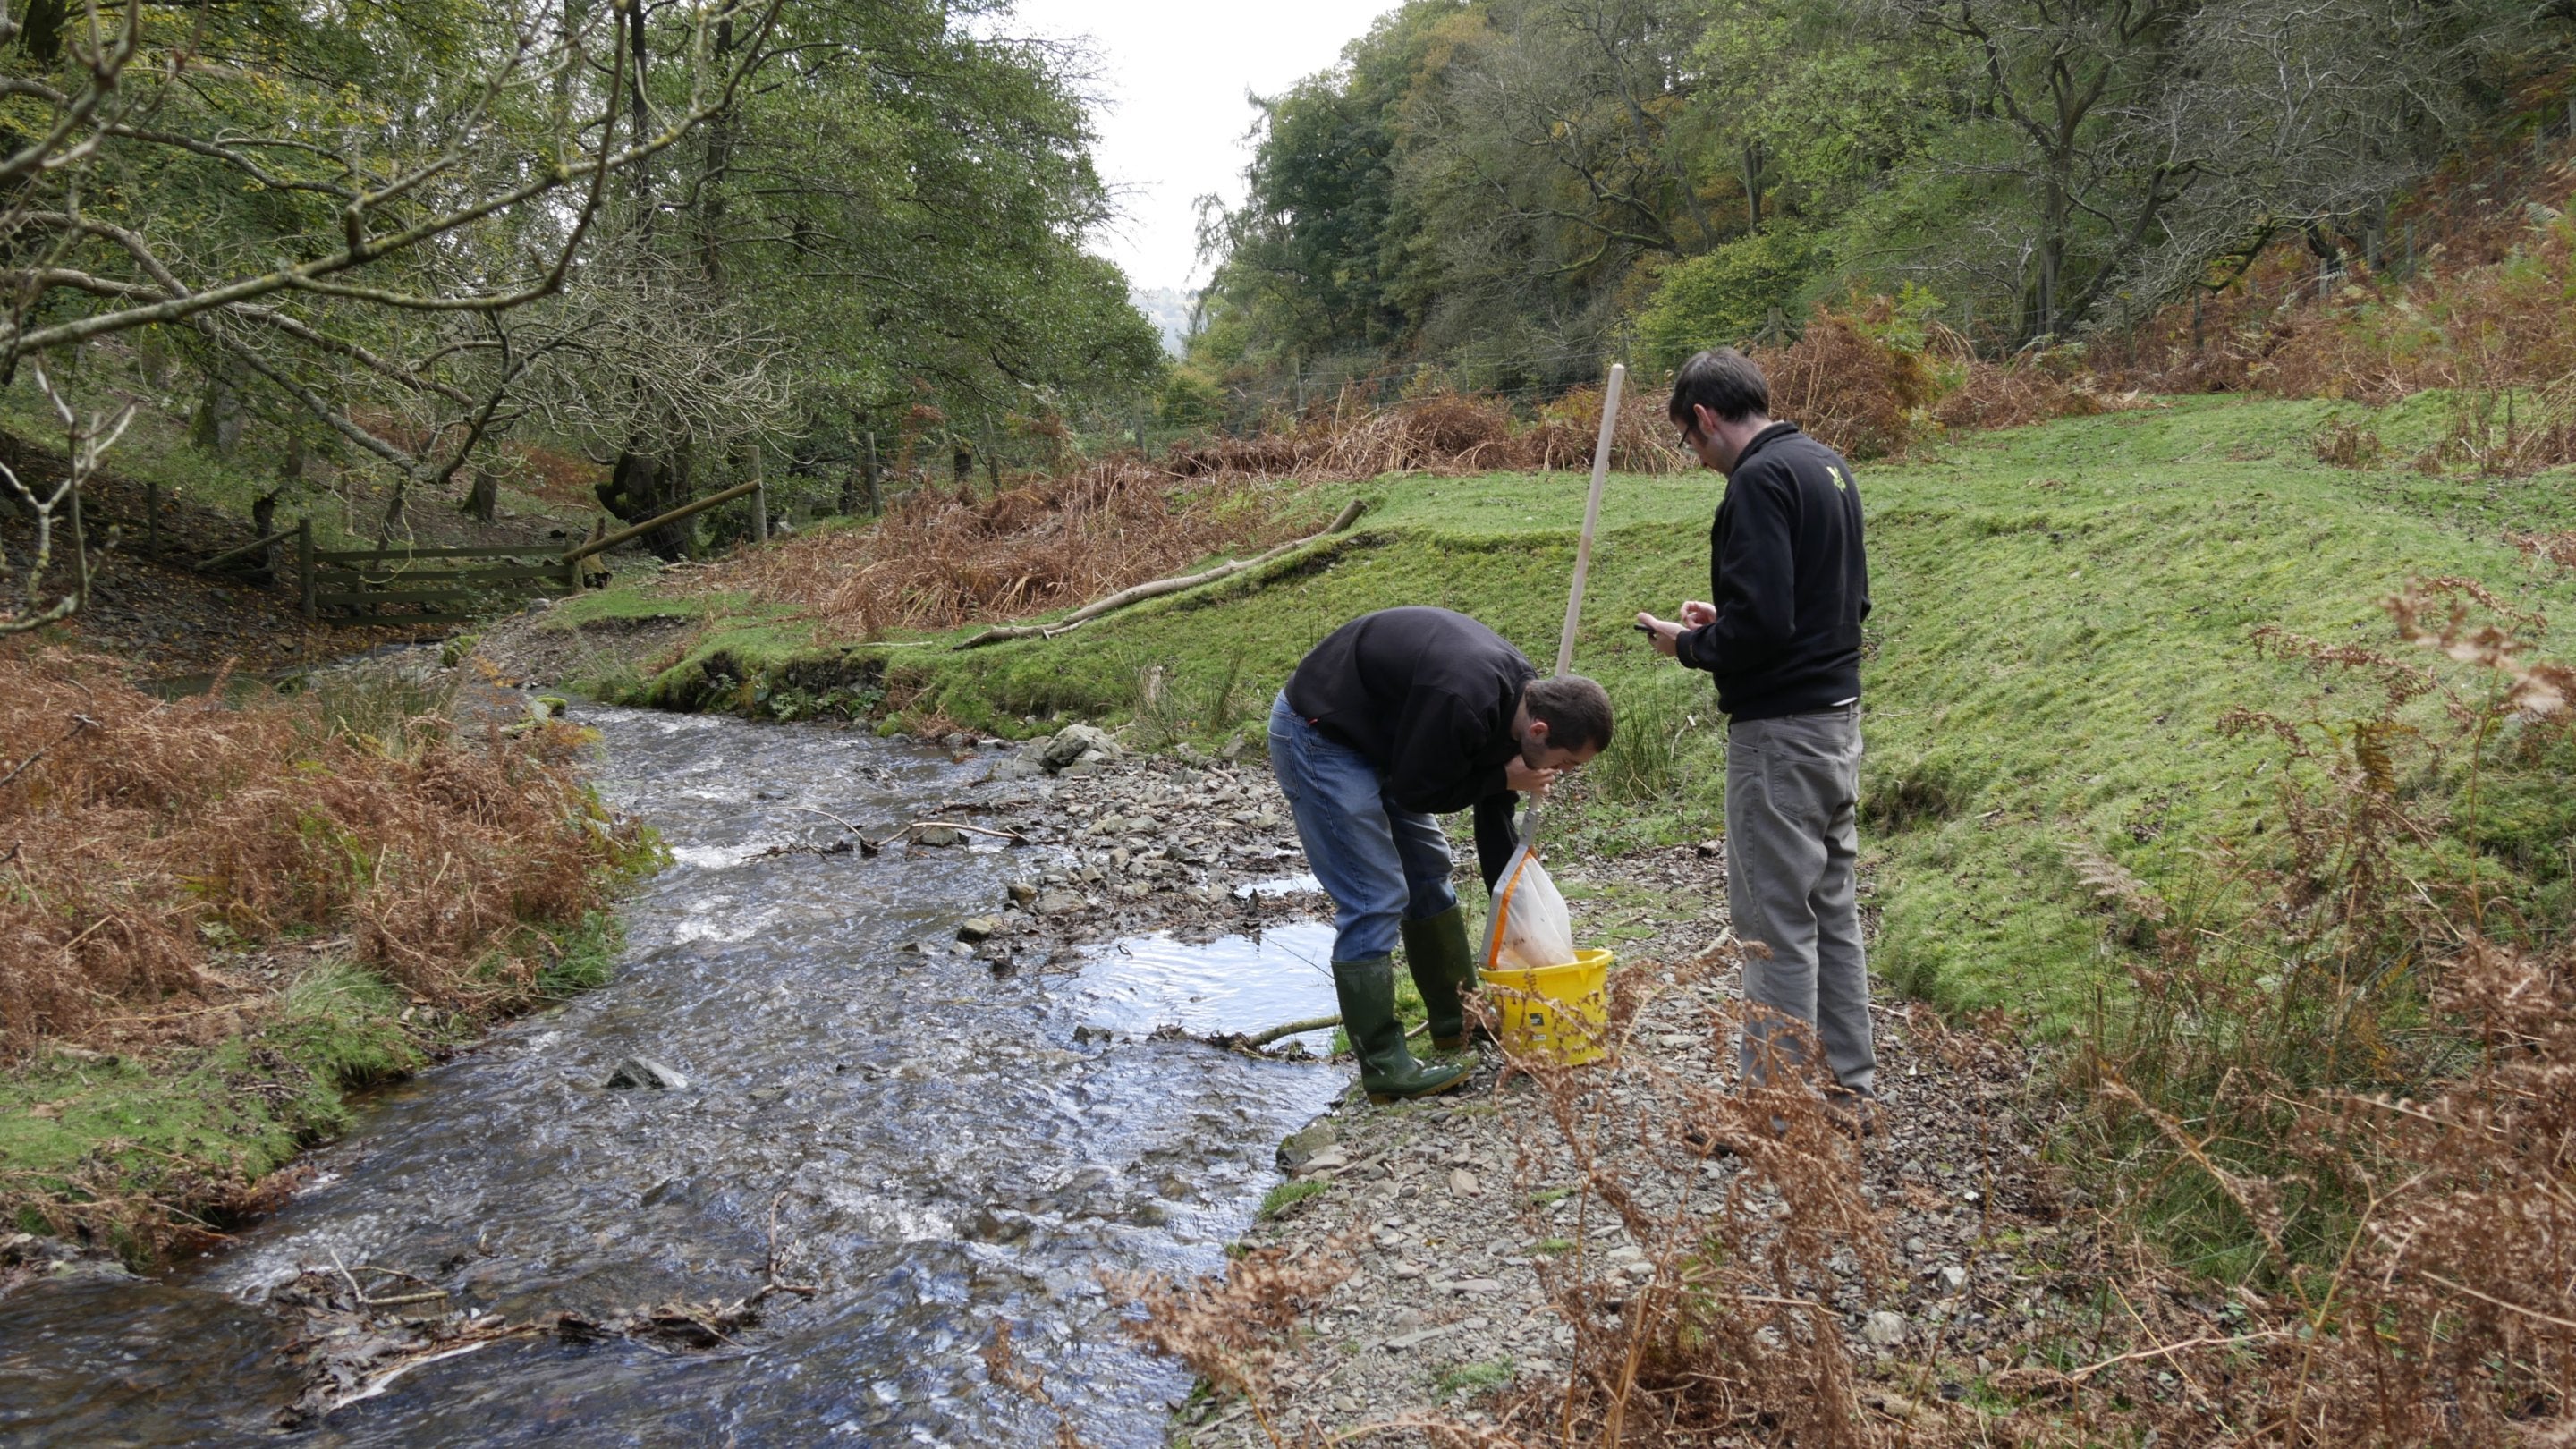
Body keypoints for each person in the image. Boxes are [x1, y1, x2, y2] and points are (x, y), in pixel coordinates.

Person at [1636, 347, 1877, 1120]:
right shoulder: (1826, 467)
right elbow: (1841, 603)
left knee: (1771, 926)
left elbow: (1767, 627)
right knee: (1830, 910)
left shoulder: (1757, 483)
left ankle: (1772, 1114)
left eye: (1688, 441)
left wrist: (1692, 643)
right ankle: (1848, 1088)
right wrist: (1729, 620)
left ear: (1704, 418)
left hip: (1779, 734)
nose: (1697, 458)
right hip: (1839, 725)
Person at [1270, 607, 1613, 1101]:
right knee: (1375, 895)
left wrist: (1514, 899)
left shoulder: (1521, 700)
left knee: (1430, 871)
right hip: (1320, 733)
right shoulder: (1464, 700)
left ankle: (1459, 1020)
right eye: (1566, 762)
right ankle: (1385, 1068)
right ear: (1539, 731)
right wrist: (1501, 777)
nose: (1564, 773)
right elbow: (1417, 792)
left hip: (1389, 737)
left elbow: (1491, 806)